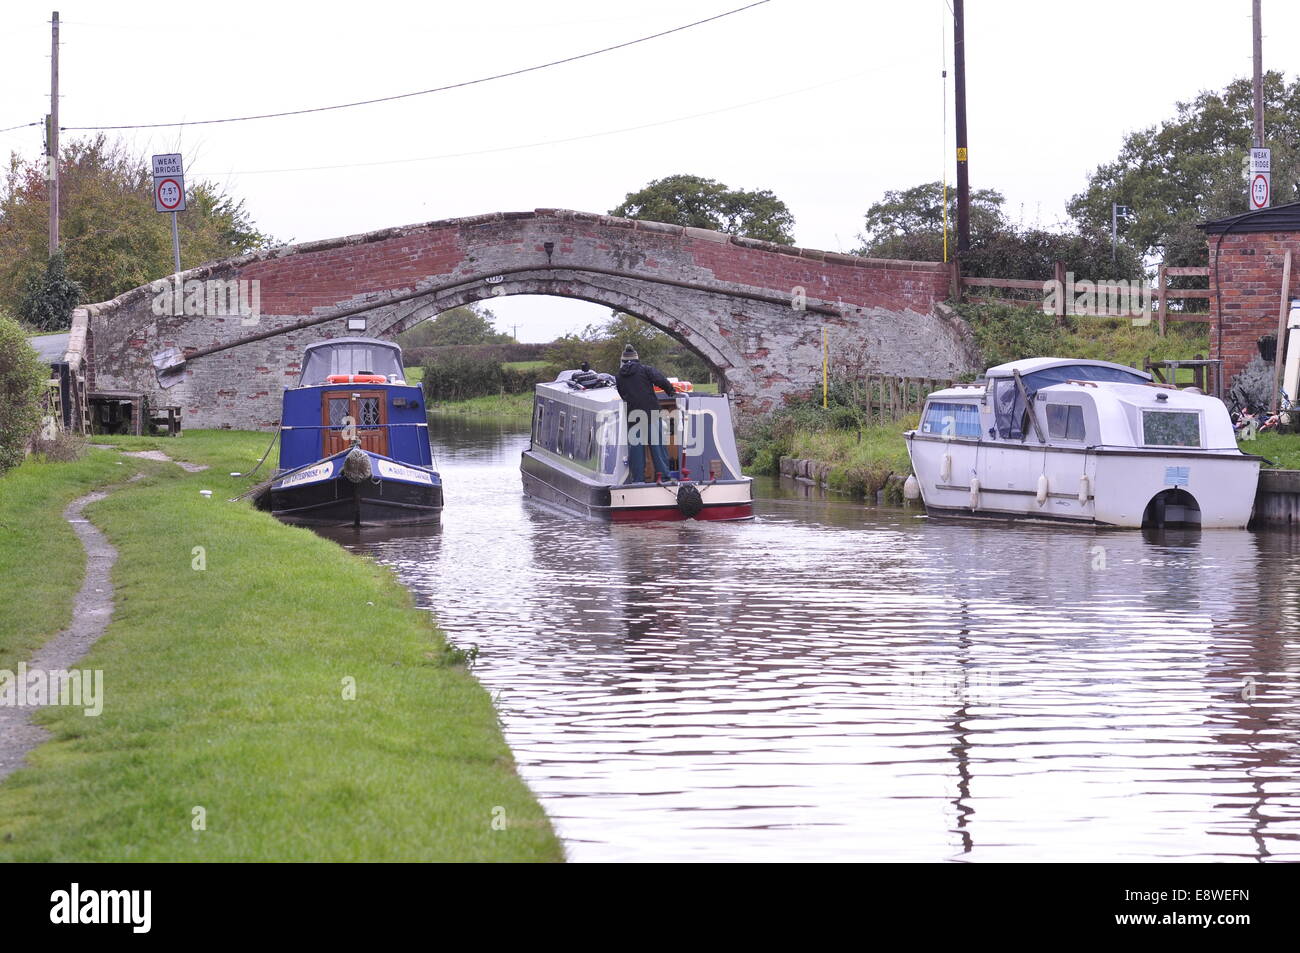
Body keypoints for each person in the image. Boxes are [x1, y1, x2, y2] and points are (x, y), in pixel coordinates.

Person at [615, 344, 678, 482]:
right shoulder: (645, 369)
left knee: (636, 452)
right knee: (658, 448)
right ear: (637, 359)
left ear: (623, 361)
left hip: (632, 417)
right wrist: (670, 391)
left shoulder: (619, 376)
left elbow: (622, 394)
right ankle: (665, 478)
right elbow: (659, 379)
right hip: (651, 413)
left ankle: (638, 481)